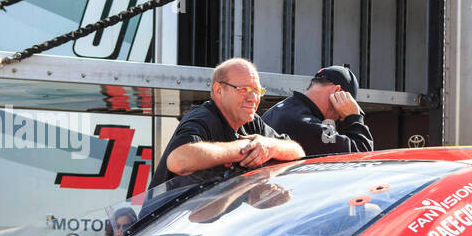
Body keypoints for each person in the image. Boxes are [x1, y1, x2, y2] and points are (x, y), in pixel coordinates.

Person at [149, 58, 304, 194]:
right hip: (169, 223)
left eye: (257, 90)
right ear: (218, 90)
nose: (253, 98)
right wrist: (243, 149)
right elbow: (179, 160)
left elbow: (298, 152)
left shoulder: (252, 122)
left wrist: (270, 146)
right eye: (244, 90)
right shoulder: (203, 118)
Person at [260, 65, 374, 159]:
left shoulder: (282, 109)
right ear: (337, 91)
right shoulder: (306, 123)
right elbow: (362, 156)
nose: (340, 117)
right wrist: (353, 117)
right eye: (347, 103)